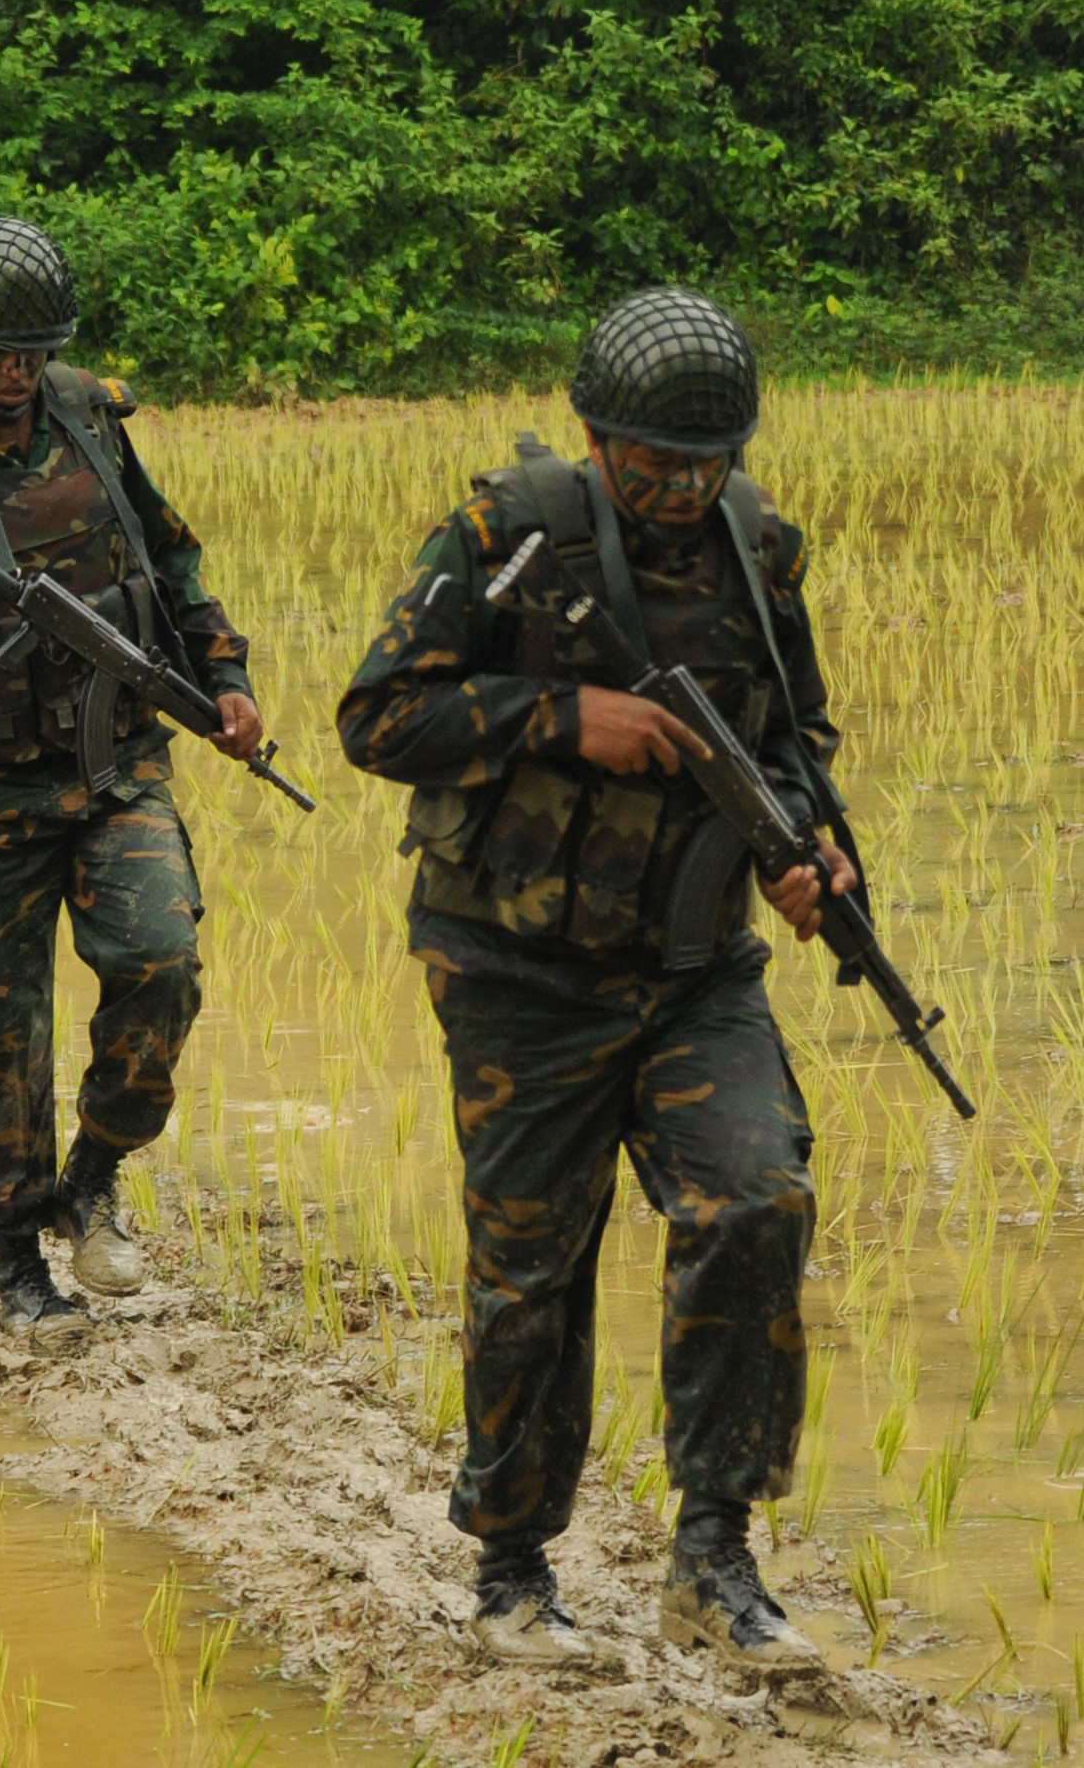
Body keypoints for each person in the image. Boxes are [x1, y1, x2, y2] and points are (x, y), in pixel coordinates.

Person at [336, 287, 841, 1674]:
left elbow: (794, 737)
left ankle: (713, 1557)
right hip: (517, 969)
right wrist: (563, 716)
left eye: (705, 464)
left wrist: (815, 846)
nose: (680, 490)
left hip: (695, 970)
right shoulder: (504, 532)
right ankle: (511, 1567)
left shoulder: (757, 547)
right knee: (530, 1275)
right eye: (652, 463)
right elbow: (376, 715)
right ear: (595, 437)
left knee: (757, 1199)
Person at [0, 217, 267, 1353]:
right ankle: (18, 1258)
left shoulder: (88, 416)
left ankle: (95, 1173)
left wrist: (223, 674)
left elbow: (168, 558)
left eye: (34, 352)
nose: (16, 373)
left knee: (161, 961)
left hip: (117, 769)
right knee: (8, 1028)